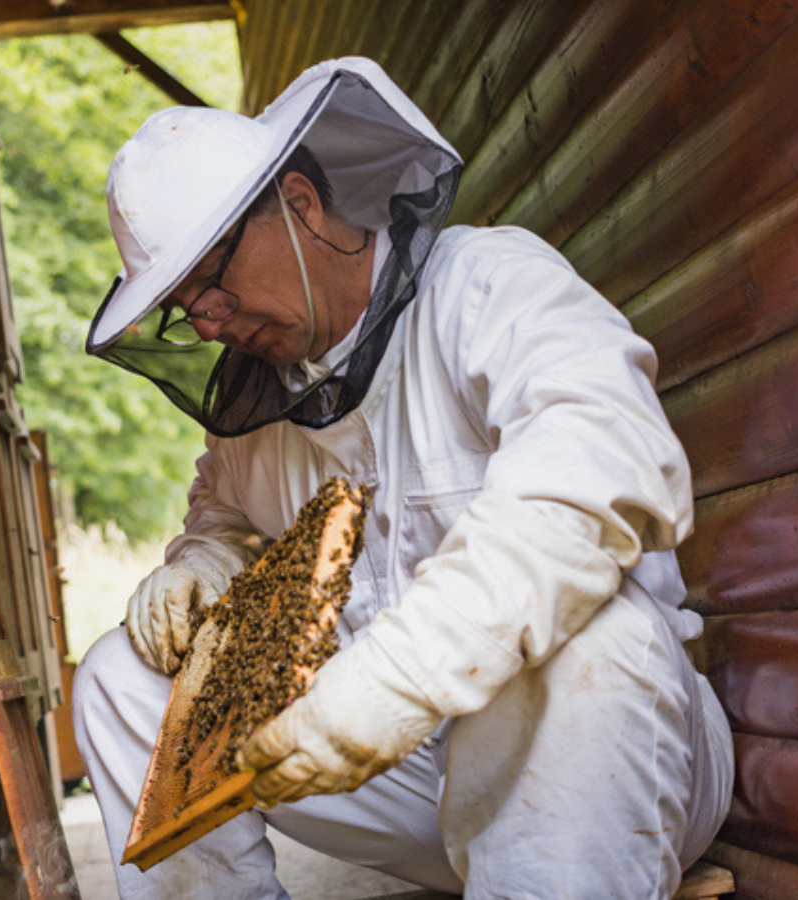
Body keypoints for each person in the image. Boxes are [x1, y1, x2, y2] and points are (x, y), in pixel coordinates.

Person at [73, 57, 733, 900]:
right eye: (185, 307)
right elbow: (227, 523)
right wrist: (204, 568)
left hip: (618, 759)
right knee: (122, 680)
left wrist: (401, 674)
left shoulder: (488, 285)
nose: (207, 323)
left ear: (301, 208)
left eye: (212, 281)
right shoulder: (255, 411)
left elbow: (603, 462)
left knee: (585, 641)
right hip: (416, 789)